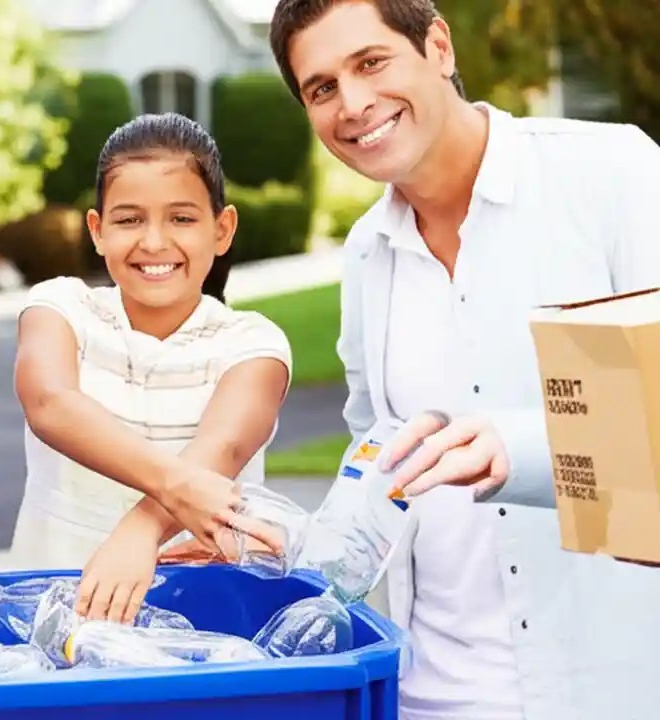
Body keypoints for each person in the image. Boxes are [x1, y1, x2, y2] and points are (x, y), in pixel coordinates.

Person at [269, 1, 660, 718]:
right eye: (322, 88)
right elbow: (381, 457)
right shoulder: (365, 252)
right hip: (431, 693)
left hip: (607, 689)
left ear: (438, 46)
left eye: (371, 62)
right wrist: (281, 542)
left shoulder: (613, 175)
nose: (353, 104)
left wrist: (519, 447)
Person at [10, 113, 293, 623]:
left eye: (182, 218)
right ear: (97, 230)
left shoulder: (252, 342)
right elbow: (50, 403)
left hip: (201, 626)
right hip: (46, 620)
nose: (155, 242)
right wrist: (176, 490)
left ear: (222, 228)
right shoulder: (61, 307)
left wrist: (141, 529)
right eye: (128, 219)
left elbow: (222, 448)